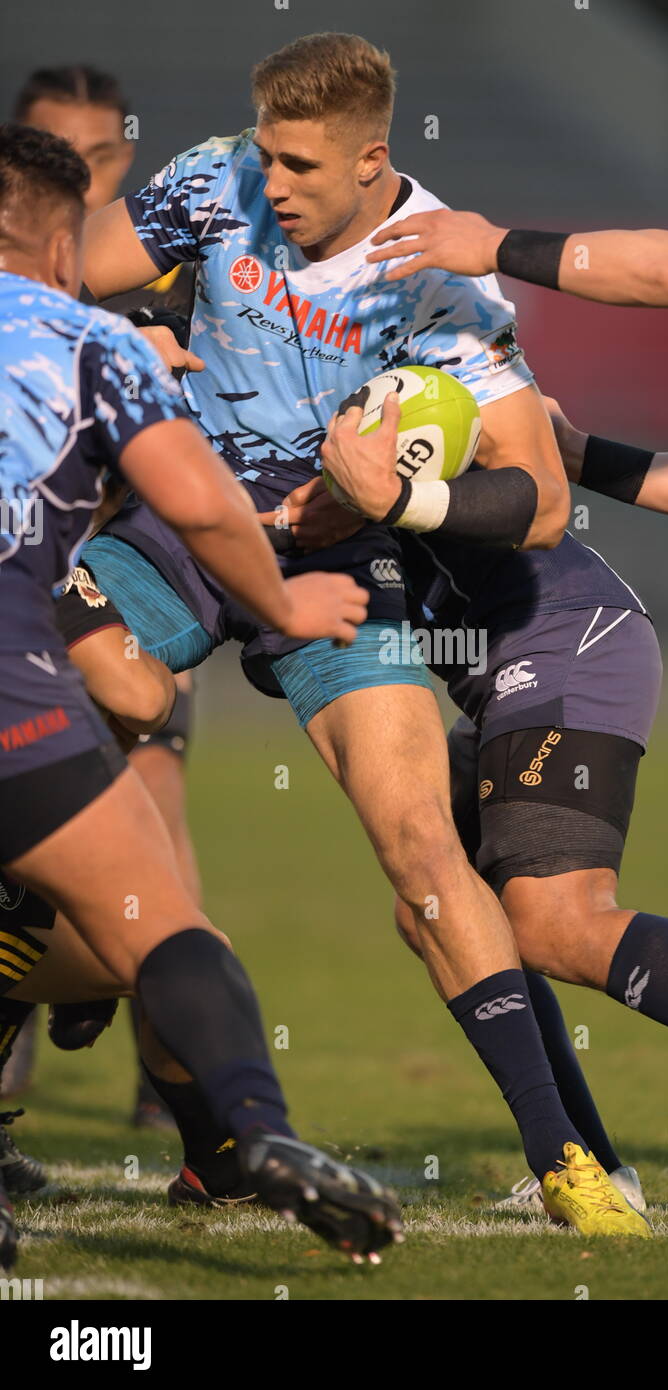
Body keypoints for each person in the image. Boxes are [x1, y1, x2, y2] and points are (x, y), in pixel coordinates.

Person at [79, 30, 647, 1235]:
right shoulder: (214, 175)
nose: (268, 183)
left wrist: (398, 501)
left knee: (420, 847)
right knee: (92, 696)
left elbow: (538, 499)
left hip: (335, 560)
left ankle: (567, 1166)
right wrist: (124, 330)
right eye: (265, 154)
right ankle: (69, 957)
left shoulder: (436, 275)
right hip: (188, 521)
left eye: (296, 164)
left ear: (371, 159)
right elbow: (67, 267)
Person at [353, 56, 668, 1226]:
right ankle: (593, 1164)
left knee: (539, 915)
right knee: (448, 899)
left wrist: (492, 243)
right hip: (556, 643)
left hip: (566, 643)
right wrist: (578, 456)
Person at [0, 122, 400, 1269]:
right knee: (161, 921)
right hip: (16, 685)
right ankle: (257, 1137)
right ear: (67, 247)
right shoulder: (91, 342)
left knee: (32, 928)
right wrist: (279, 605)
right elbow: (208, 506)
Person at [9, 62, 199, 1129]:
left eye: (97, 156)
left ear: (124, 161)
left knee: (153, 835)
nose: (76, 171)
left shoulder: (159, 289)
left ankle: (180, 1096)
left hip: (117, 588)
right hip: (24, 607)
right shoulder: (20, 285)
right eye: (51, 150)